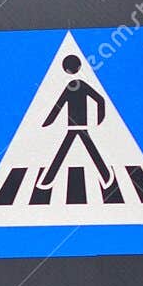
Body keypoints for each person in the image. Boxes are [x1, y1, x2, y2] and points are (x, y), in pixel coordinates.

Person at [36, 55, 115, 189]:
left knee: (65, 152)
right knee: (85, 150)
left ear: (67, 69)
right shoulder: (79, 85)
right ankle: (106, 177)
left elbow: (58, 106)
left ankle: (47, 180)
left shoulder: (73, 86)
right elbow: (100, 100)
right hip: (78, 125)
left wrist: (48, 122)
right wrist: (98, 118)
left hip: (75, 125)